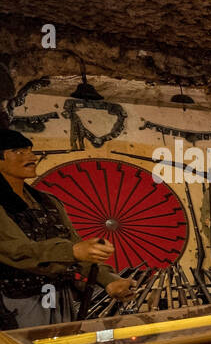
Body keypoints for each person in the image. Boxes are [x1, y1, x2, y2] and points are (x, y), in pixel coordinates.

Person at [0, 128, 134, 328]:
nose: (32, 156)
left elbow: (75, 244)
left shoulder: (47, 201)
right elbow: (16, 251)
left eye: (30, 150)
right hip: (13, 301)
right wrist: (72, 251)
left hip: (58, 296)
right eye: (19, 152)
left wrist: (108, 279)